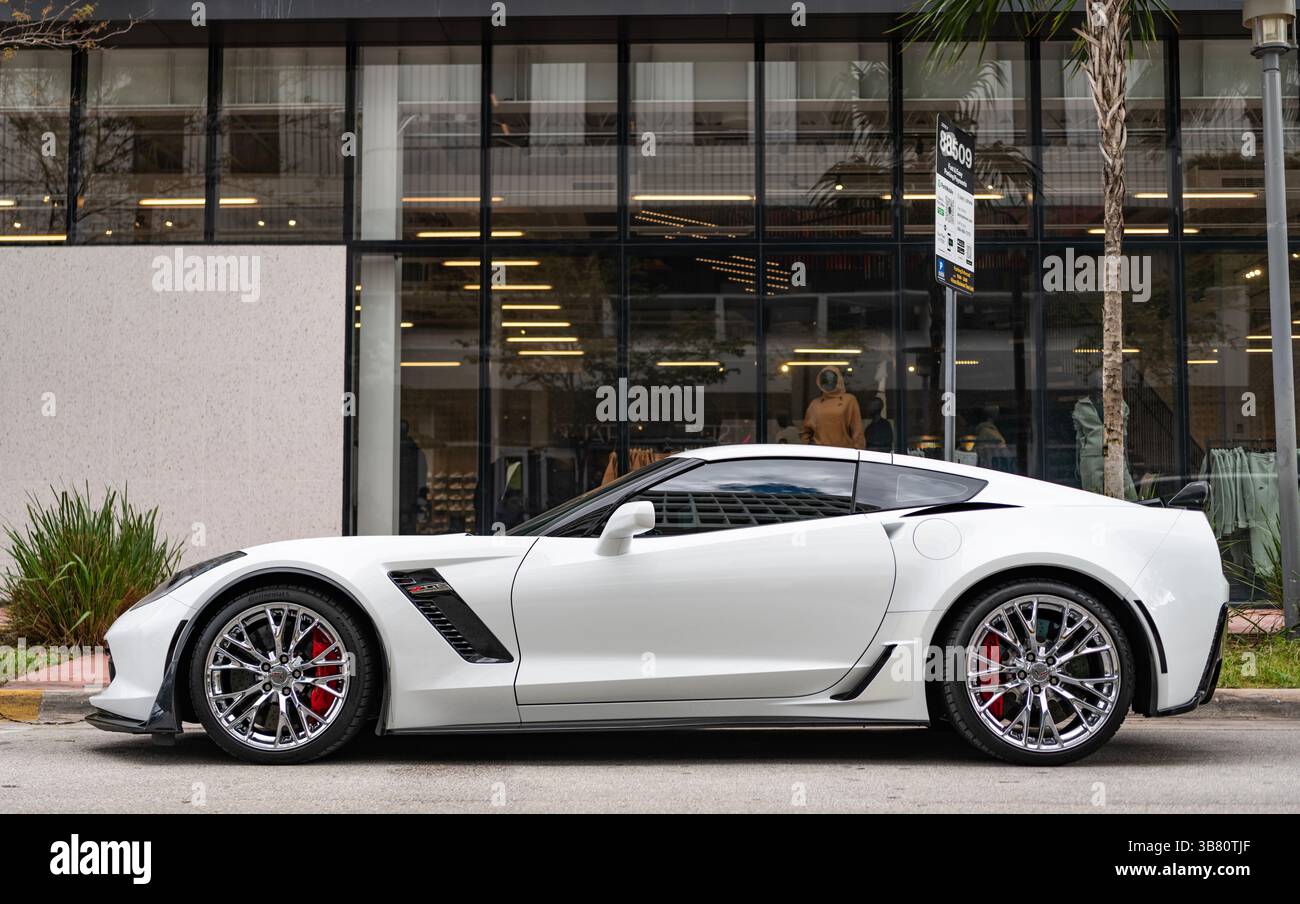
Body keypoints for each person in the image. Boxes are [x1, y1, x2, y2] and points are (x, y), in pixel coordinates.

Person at [800, 365, 865, 449]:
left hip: (844, 453)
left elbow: (857, 431)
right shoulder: (815, 404)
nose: (828, 383)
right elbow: (805, 432)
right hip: (820, 454)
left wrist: (859, 452)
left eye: (831, 380)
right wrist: (809, 447)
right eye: (825, 380)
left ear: (838, 381)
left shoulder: (849, 400)